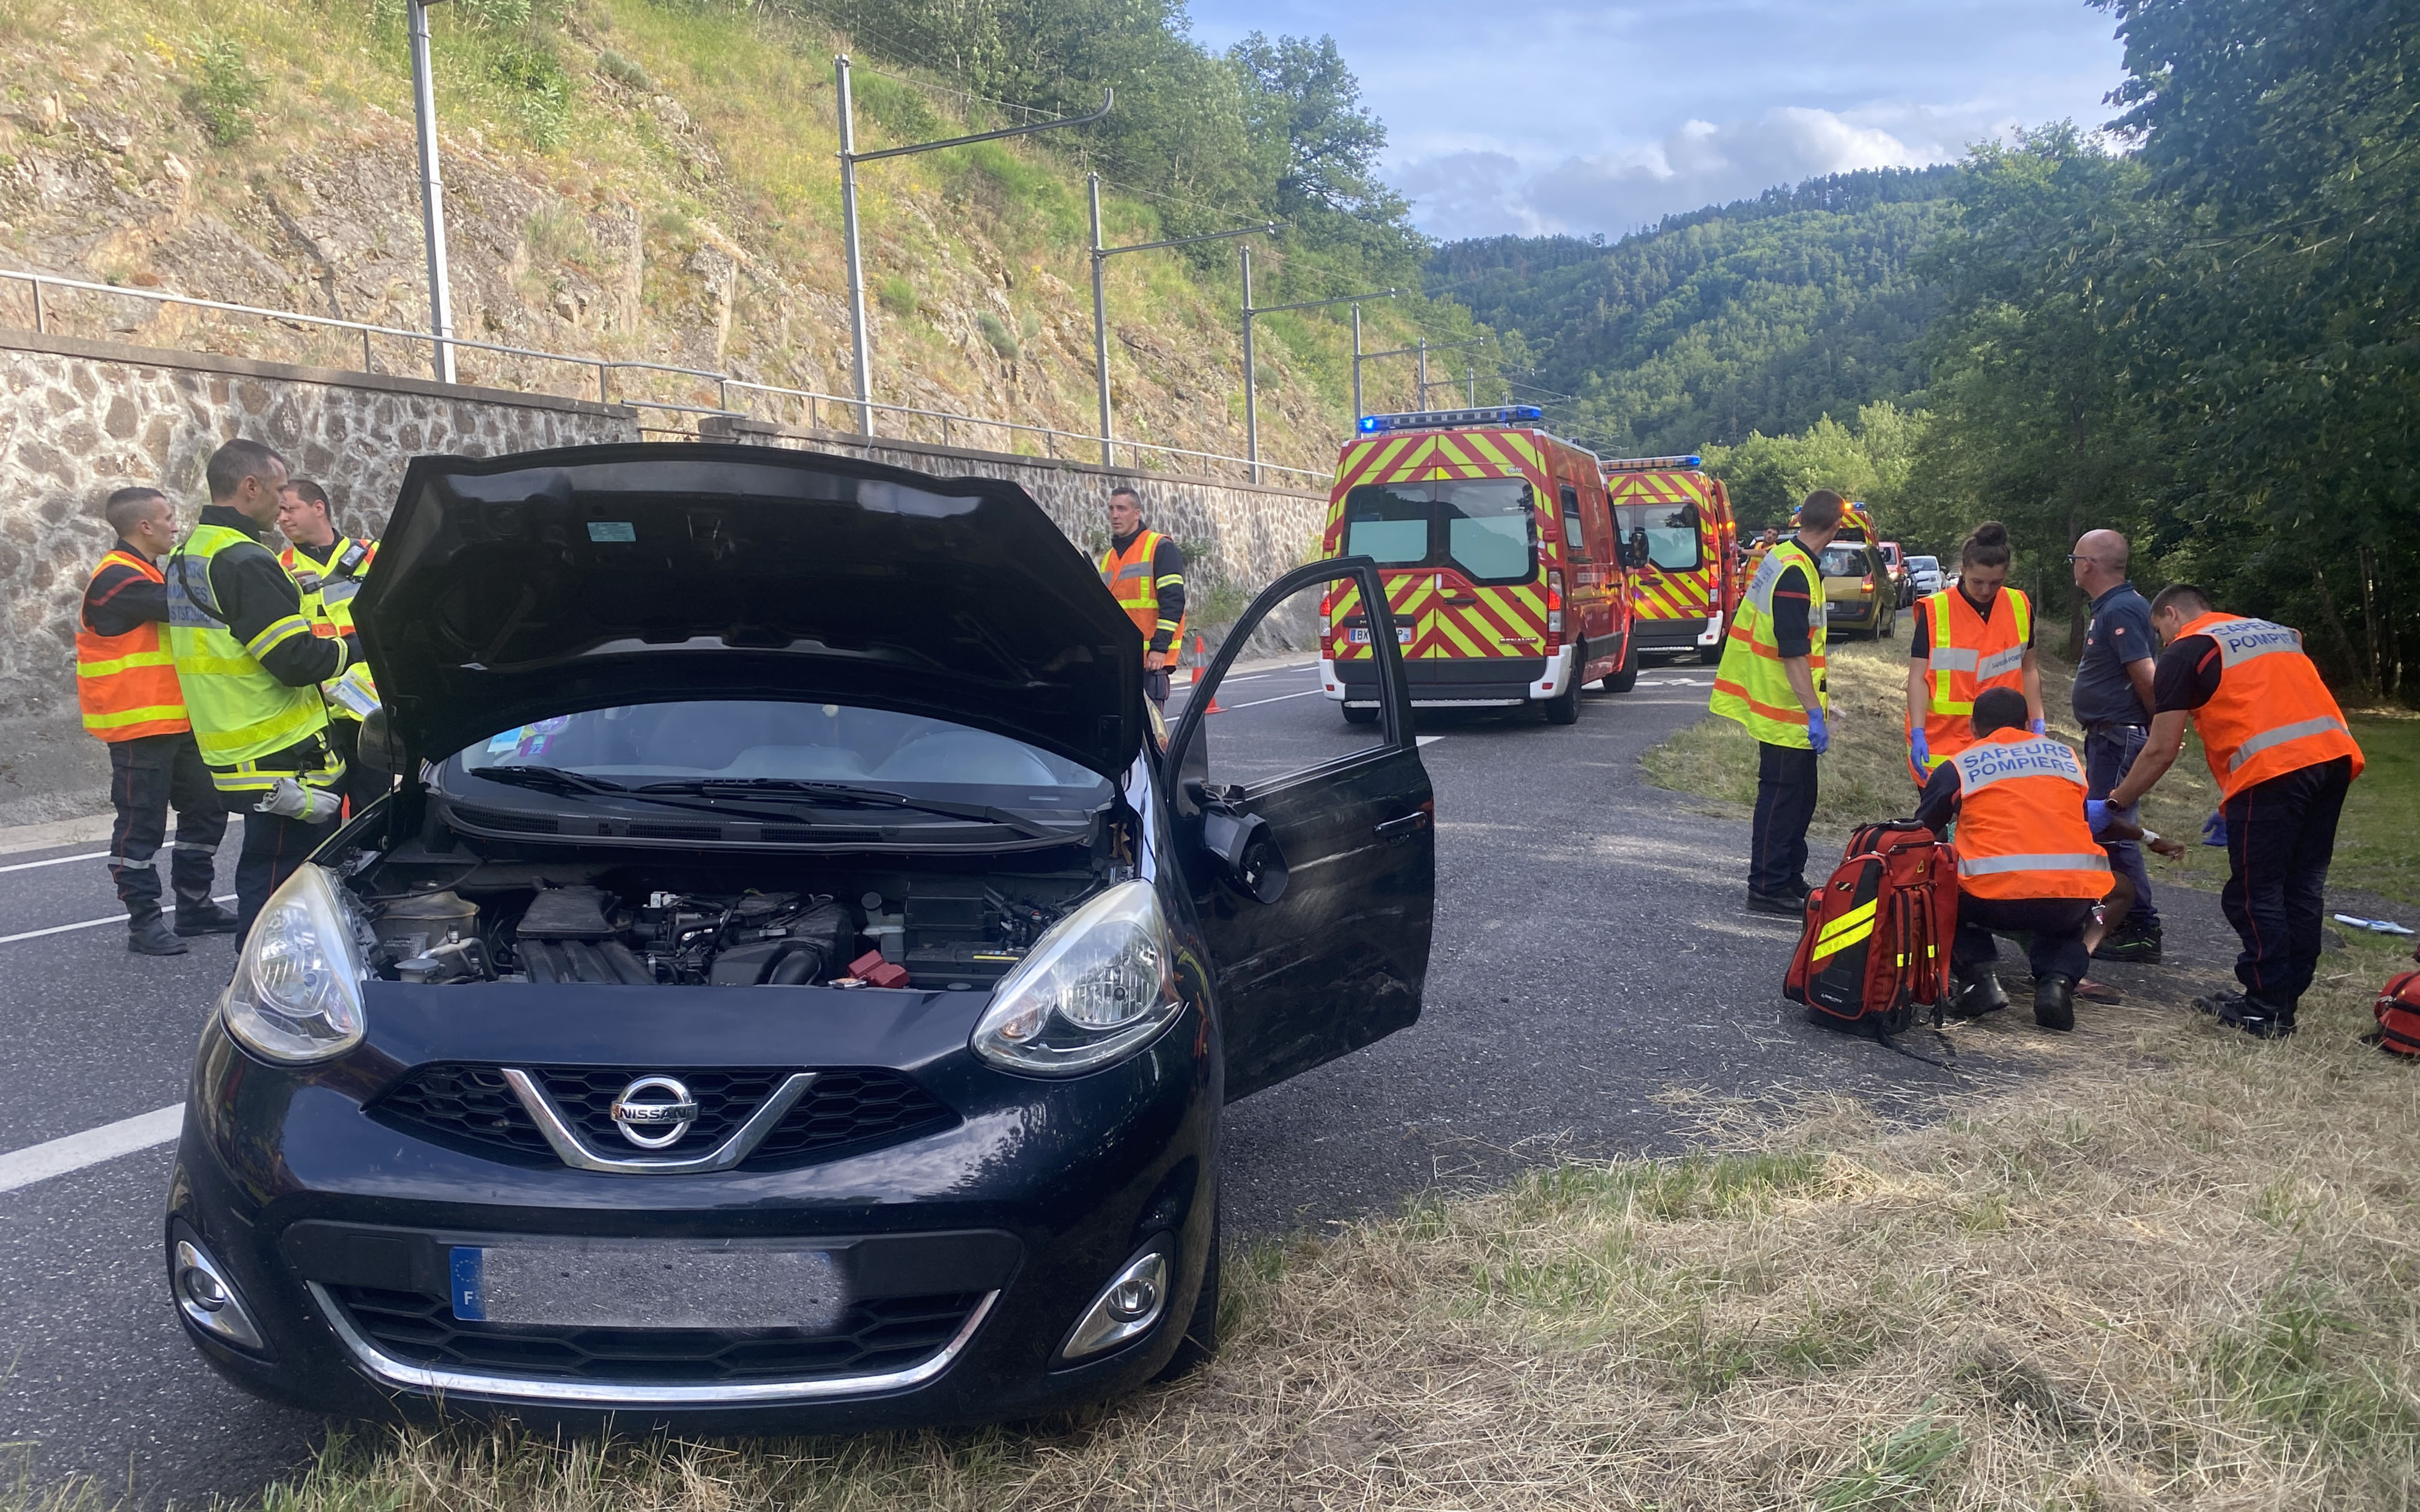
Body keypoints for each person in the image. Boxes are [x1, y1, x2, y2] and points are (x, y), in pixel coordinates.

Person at [2105, 585, 2364, 1039]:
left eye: (2159, 631)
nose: (2162, 642)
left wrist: (2114, 801)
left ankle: (2265, 1007)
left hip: (2271, 772)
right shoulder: (2275, 633)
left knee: (2254, 892)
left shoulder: (2186, 650)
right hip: (2332, 759)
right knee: (2300, 887)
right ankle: (2281, 997)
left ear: (2172, 614)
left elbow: (2161, 749)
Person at [166, 440, 362, 943]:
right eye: (277, 491)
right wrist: (368, 645)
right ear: (249, 487)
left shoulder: (189, 552)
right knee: (284, 880)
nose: (282, 504)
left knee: (269, 866)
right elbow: (295, 661)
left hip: (235, 744)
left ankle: (273, 970)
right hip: (282, 753)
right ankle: (266, 983)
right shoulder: (244, 560)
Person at [76, 486, 235, 955]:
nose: (175, 525)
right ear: (144, 526)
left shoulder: (143, 571)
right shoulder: (117, 579)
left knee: (207, 807)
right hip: (139, 730)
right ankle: (143, 922)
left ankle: (194, 906)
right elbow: (181, 604)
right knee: (140, 826)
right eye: (168, 517)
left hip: (180, 724)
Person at [1913, 688, 2112, 1030]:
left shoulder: (1960, 766)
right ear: (2024, 725)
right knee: (2062, 925)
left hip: (1994, 897)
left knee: (1931, 888)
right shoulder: (2066, 759)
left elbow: (1921, 834)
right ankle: (2057, 982)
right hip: (2071, 896)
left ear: (1973, 727)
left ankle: (1980, 979)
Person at [1712, 489, 1842, 914]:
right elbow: (1792, 651)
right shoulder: (1794, 573)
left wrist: (1821, 707)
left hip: (1787, 702)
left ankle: (1787, 877)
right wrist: (1811, 712)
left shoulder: (1788, 559)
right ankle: (1767, 885)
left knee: (1800, 798)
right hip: (1783, 707)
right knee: (1783, 798)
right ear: (1837, 526)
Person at [2067, 529, 2164, 964]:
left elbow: (2145, 677)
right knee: (2108, 827)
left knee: (2113, 828)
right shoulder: (2109, 608)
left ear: (2088, 564)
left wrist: (2156, 730)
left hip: (2118, 734)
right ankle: (2124, 917)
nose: (2072, 565)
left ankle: (2139, 924)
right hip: (2107, 733)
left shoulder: (2123, 608)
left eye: (2074, 558)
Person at [275, 477, 385, 815]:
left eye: (291, 508)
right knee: (323, 807)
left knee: (376, 804)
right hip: (317, 708)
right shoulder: (280, 568)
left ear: (318, 508)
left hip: (371, 705)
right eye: (279, 511)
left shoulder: (374, 555)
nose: (282, 518)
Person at [1904, 521, 2042, 786]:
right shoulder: (1936, 611)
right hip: (1943, 742)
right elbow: (1918, 677)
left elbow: (2029, 669)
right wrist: (1918, 732)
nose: (1985, 591)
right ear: (1962, 570)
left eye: (1995, 583)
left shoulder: (2019, 605)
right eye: (1977, 581)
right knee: (1944, 826)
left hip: (2004, 742)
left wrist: (2037, 720)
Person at [1097, 485, 1186, 710]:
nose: (1115, 515)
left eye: (1122, 509)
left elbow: (1173, 602)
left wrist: (1159, 648)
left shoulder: (1160, 547)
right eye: (1111, 509)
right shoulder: (1109, 558)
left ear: (1137, 514)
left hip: (1149, 663)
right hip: (1119, 664)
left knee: (1150, 739)